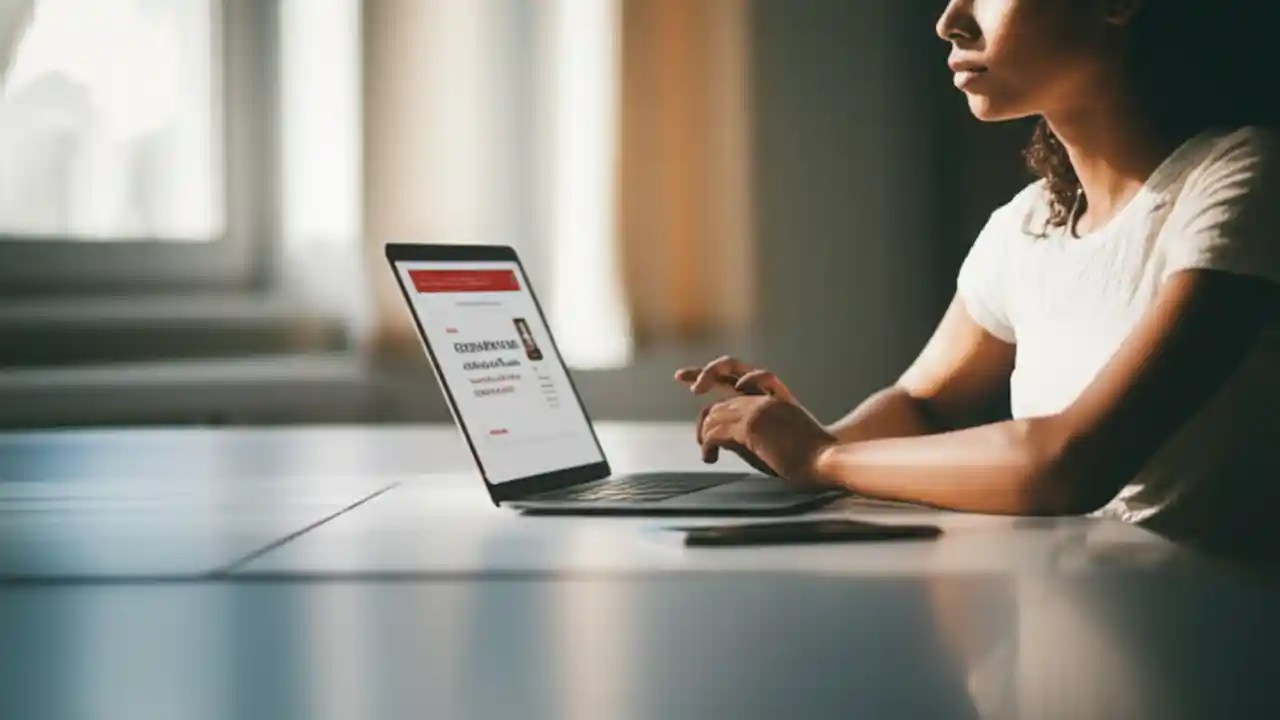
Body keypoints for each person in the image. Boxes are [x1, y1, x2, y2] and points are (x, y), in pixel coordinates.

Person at [677, 0, 1280, 565]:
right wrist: (797, 436)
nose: (949, 21)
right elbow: (922, 407)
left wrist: (823, 458)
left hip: (1208, 650)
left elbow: (1067, 465)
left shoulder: (1243, 178)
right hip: (1070, 630)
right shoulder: (1028, 223)